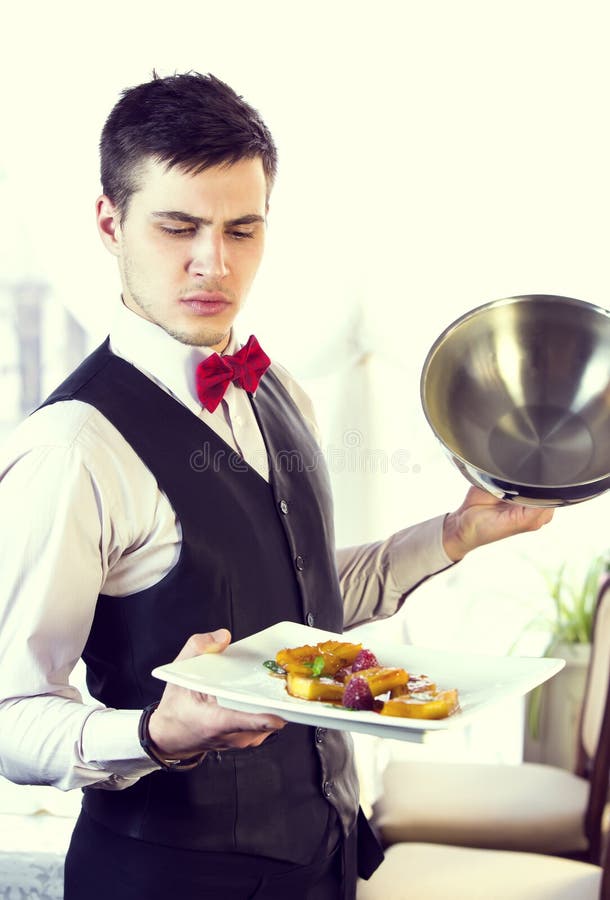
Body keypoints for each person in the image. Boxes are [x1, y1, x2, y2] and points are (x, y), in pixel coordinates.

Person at [0, 72, 553, 900]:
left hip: (324, 859)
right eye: (177, 226)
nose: (212, 263)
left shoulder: (278, 389)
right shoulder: (70, 446)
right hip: (168, 879)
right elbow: (11, 718)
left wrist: (454, 533)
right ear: (110, 223)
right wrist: (156, 733)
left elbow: (302, 604)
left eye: (242, 229)